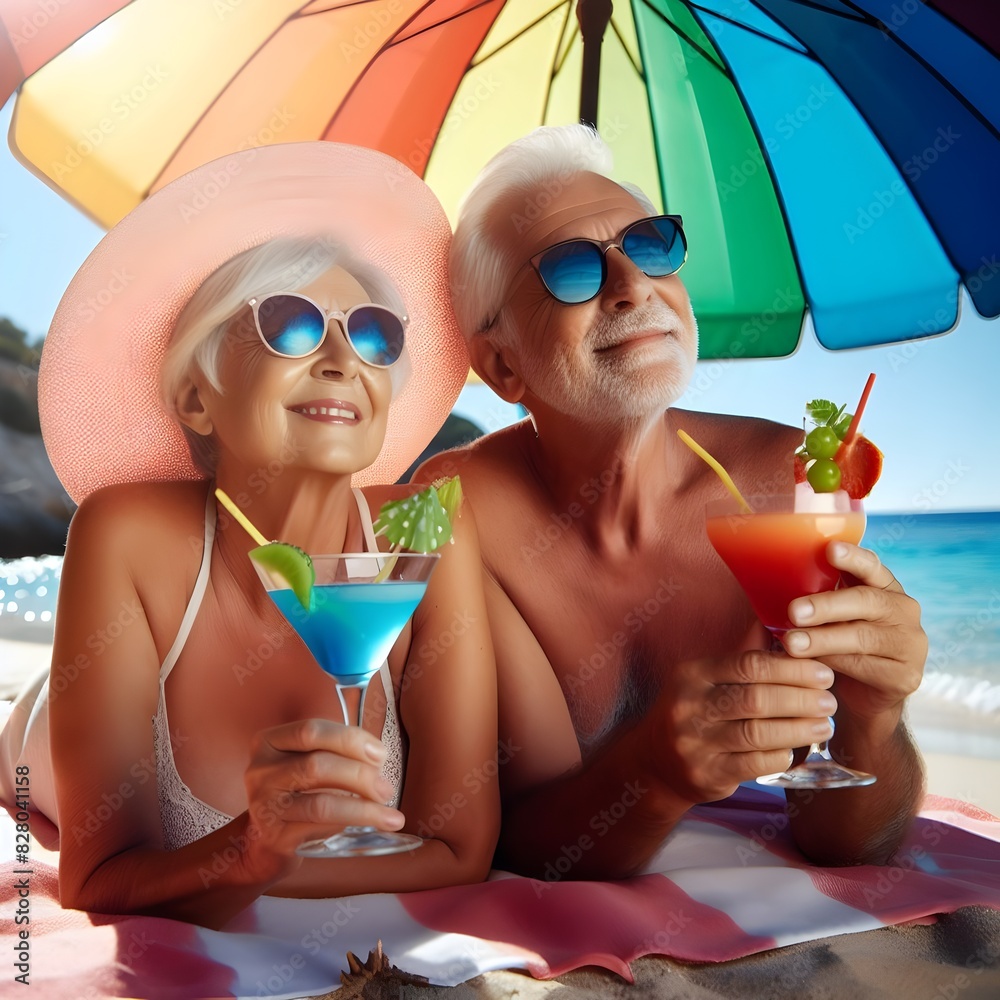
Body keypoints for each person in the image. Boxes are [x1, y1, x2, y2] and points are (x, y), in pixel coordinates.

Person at [0, 143, 497, 929]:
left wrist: (245, 867)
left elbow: (461, 852)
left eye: (371, 334)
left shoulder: (426, 536)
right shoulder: (125, 531)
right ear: (198, 399)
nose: (342, 359)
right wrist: (255, 852)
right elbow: (98, 879)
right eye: (291, 324)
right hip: (36, 740)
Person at [416, 125, 927, 879]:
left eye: (650, 243)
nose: (633, 285)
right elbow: (508, 841)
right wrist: (652, 773)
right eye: (571, 269)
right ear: (501, 364)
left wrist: (875, 716)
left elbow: (850, 843)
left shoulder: (793, 479)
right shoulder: (453, 509)